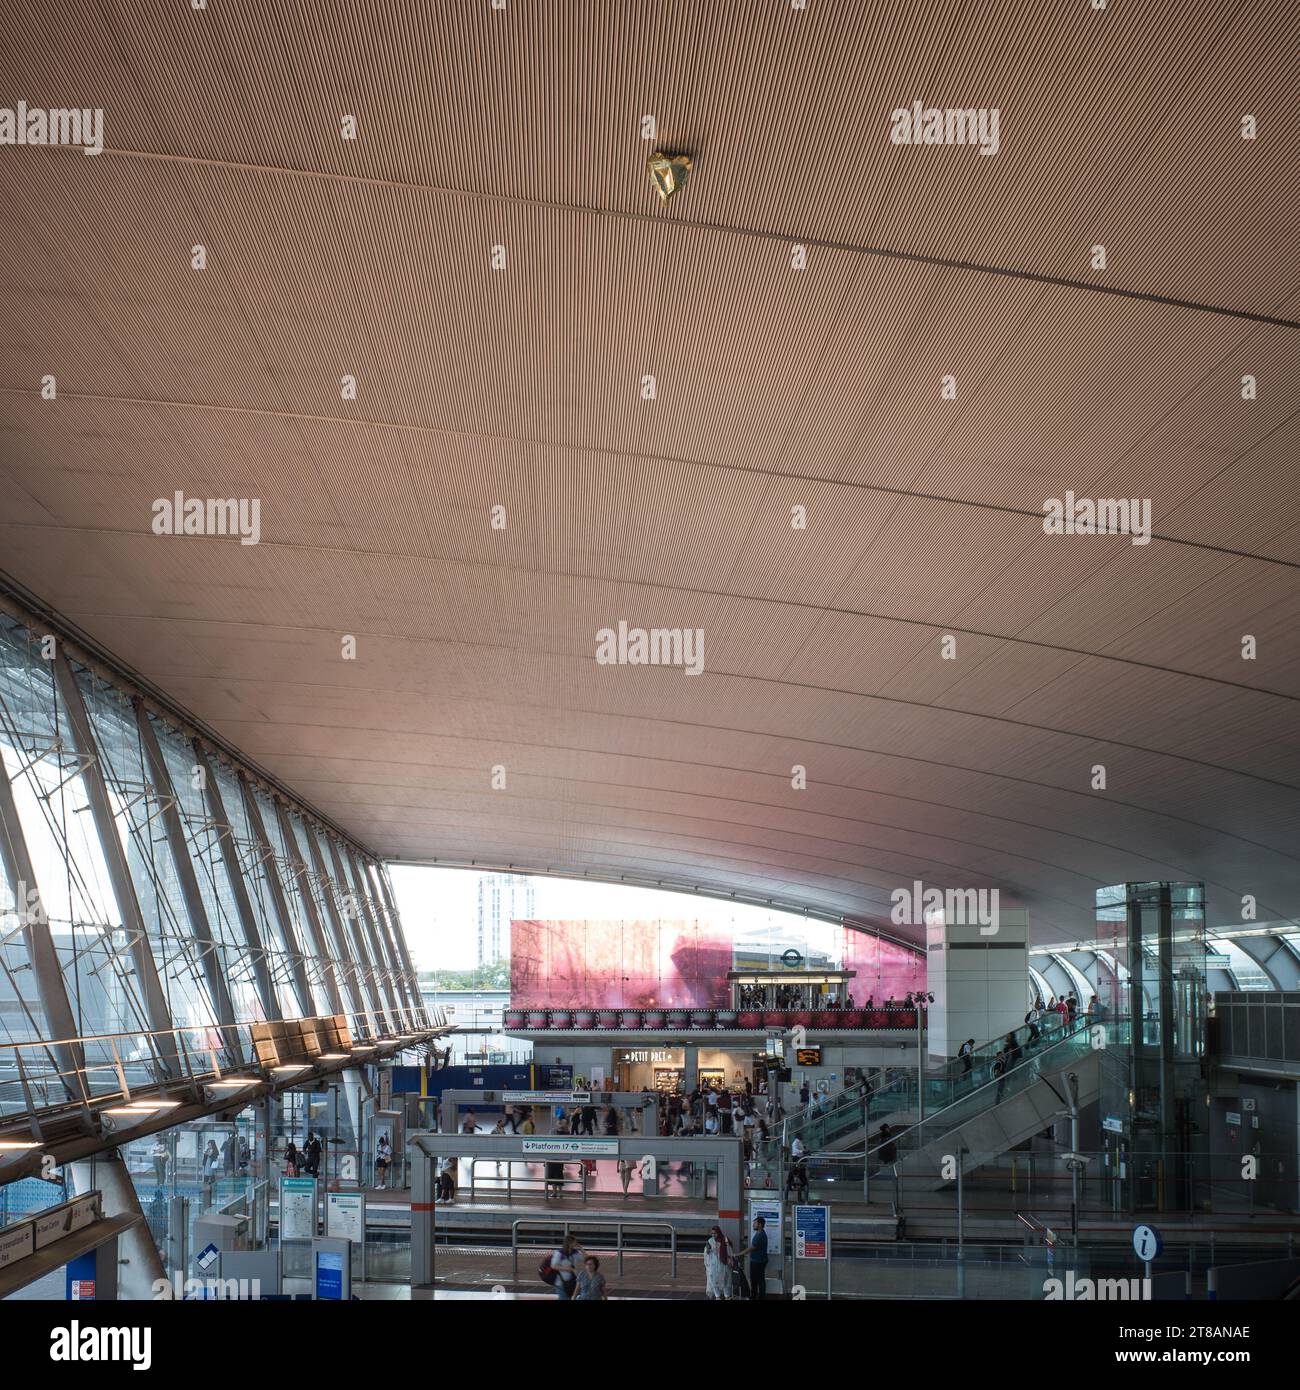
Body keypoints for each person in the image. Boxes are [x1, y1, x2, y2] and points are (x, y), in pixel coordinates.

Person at [740, 1216, 768, 1300]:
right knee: (756, 1279)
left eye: (755, 1223)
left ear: (759, 1224)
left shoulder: (760, 1235)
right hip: (758, 1260)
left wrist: (739, 1253)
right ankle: (755, 1295)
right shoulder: (760, 1233)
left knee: (758, 1280)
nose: (753, 1225)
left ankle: (757, 1296)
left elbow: (752, 1248)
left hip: (758, 1261)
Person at [550, 1233, 584, 1299]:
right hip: (561, 1282)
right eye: (574, 1242)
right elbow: (553, 1266)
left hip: (571, 1281)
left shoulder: (575, 1253)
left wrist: (581, 1249)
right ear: (569, 1243)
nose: (576, 1243)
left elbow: (587, 1259)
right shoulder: (560, 1253)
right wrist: (570, 1269)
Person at [703, 1224, 732, 1300]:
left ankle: (727, 1296)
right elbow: (707, 1252)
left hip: (724, 1263)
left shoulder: (725, 1239)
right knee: (714, 1280)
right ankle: (717, 1296)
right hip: (714, 1264)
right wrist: (709, 1249)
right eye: (712, 1233)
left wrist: (729, 1257)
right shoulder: (710, 1241)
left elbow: (730, 1249)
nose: (713, 1235)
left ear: (718, 1232)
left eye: (715, 1233)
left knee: (725, 1280)